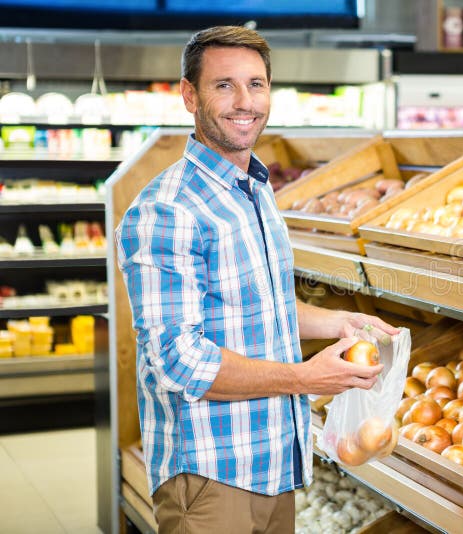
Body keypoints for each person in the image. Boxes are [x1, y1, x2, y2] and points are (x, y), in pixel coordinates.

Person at [115, 25, 399, 533]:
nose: (245, 101)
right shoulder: (167, 210)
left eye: (257, 84)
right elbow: (180, 362)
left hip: (273, 462)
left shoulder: (254, 189)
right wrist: (307, 378)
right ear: (189, 95)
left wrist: (336, 322)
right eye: (224, 85)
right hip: (210, 476)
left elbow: (261, 307)